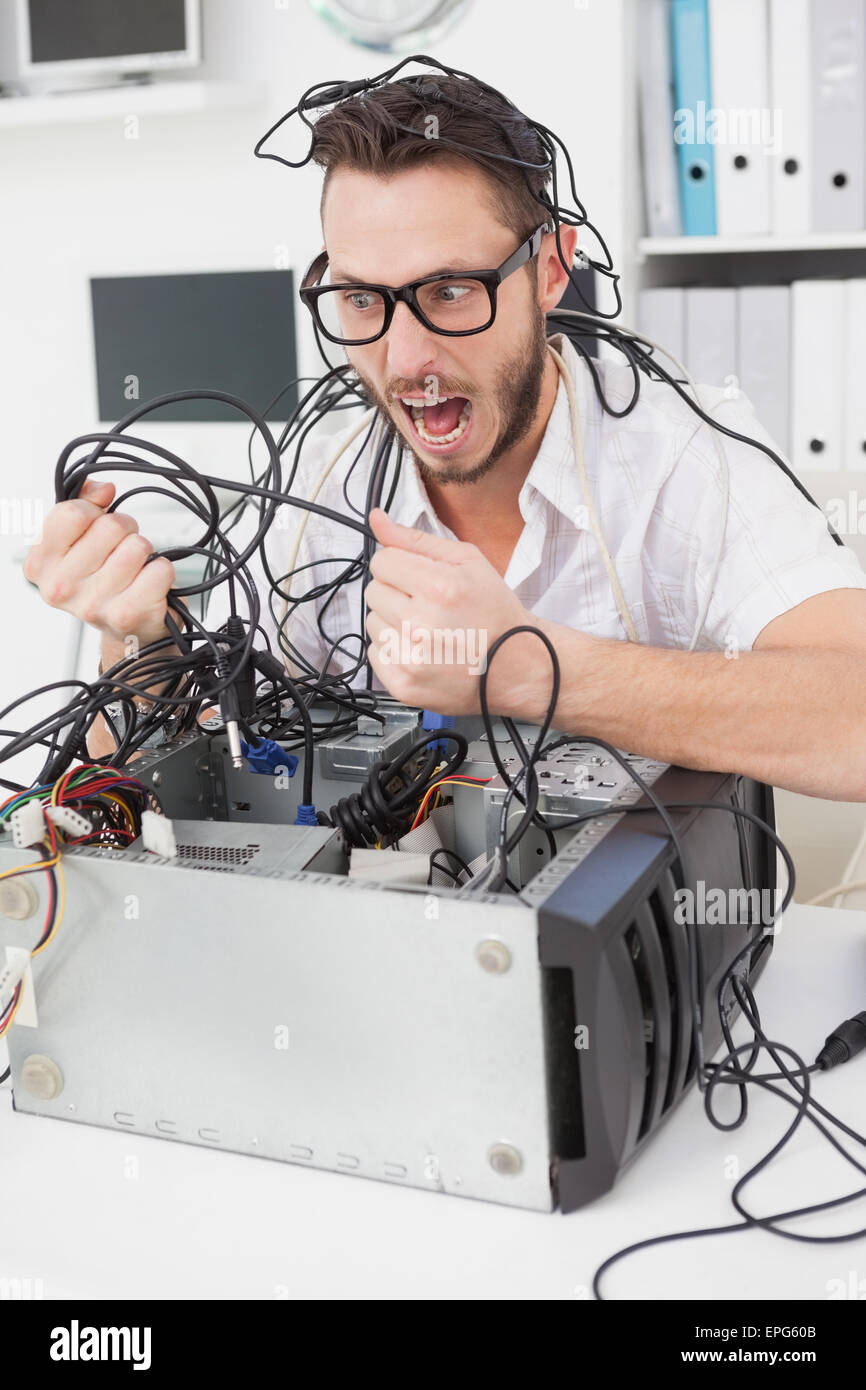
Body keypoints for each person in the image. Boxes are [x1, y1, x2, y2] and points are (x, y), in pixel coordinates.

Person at [23, 74, 866, 798]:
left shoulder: (686, 453)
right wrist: (141, 645)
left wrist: (527, 667)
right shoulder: (321, 482)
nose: (407, 358)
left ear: (549, 270)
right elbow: (206, 769)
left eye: (452, 291)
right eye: (362, 301)